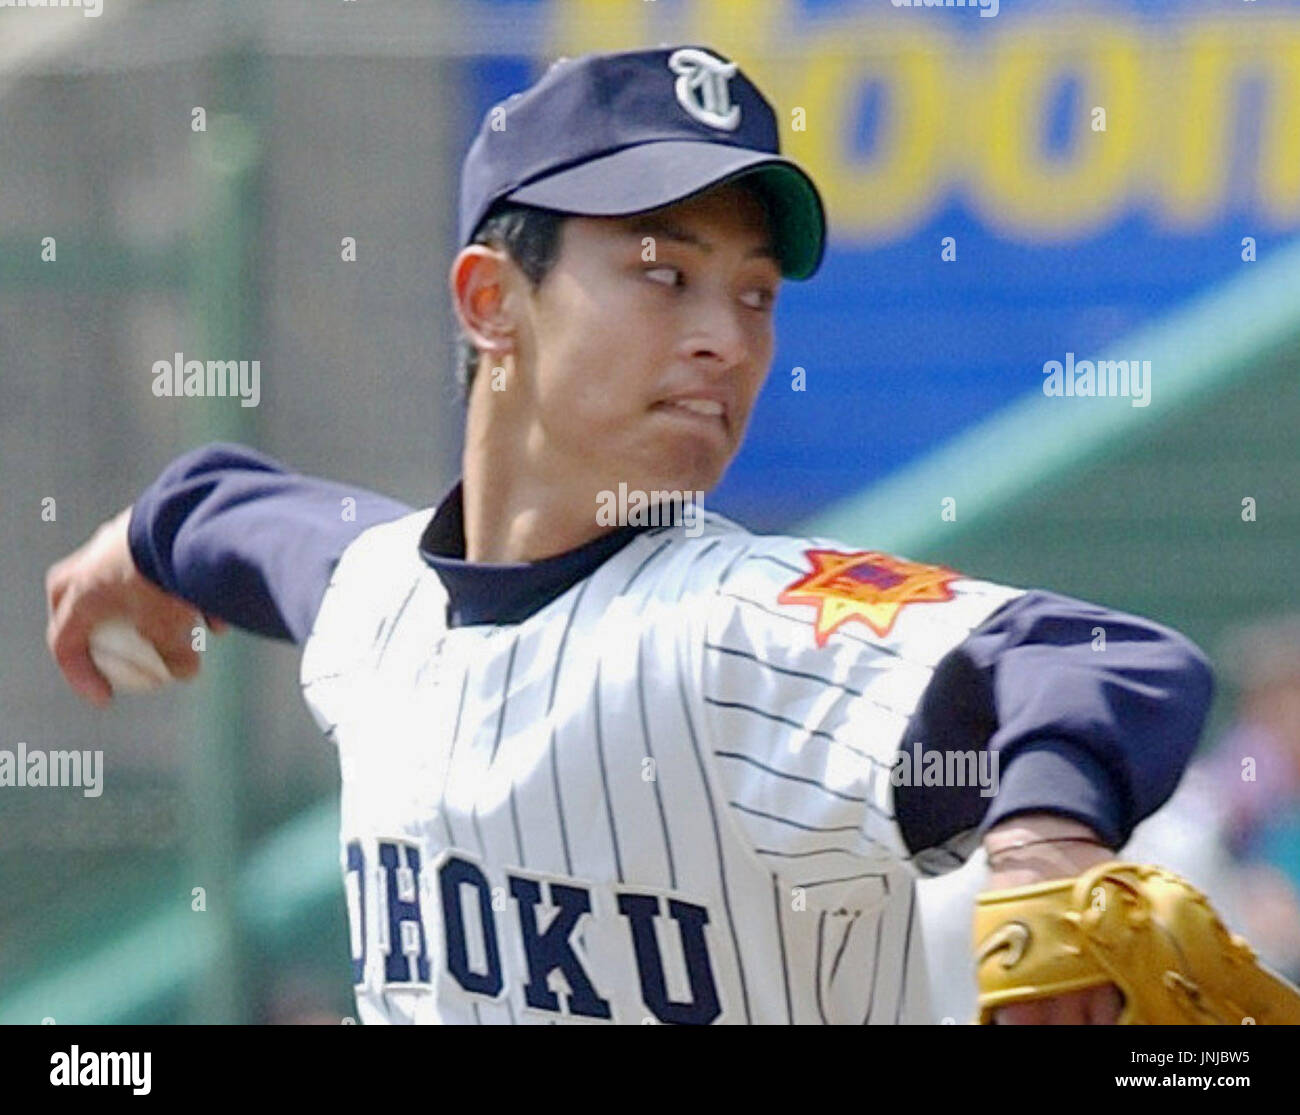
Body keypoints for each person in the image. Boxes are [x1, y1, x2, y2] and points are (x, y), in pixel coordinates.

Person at [45, 46, 1213, 1025]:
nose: (727, 338)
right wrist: (148, 538)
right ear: (489, 301)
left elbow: (1101, 656)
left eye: (754, 294)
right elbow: (269, 531)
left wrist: (1044, 841)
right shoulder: (380, 599)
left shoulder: (741, 626)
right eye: (664, 273)